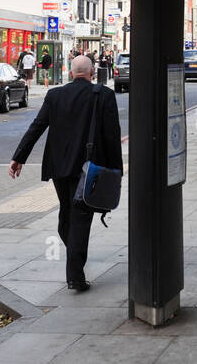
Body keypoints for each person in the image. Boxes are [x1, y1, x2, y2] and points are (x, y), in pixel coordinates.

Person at [8, 55, 122, 291]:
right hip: (90, 168)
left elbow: (37, 126)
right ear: (92, 73)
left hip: (59, 166)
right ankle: (75, 276)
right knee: (80, 217)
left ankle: (74, 259)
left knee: (67, 214)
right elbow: (112, 135)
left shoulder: (55, 95)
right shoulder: (104, 95)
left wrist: (19, 157)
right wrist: (116, 170)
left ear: (71, 73)